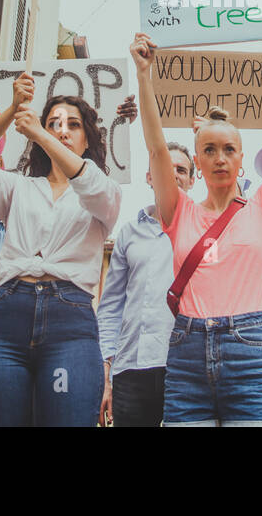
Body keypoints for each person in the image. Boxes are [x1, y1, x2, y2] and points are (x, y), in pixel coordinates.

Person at [131, 21, 262, 426]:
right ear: (196, 162)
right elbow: (156, 146)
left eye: (228, 149)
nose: (219, 158)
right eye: (209, 150)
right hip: (186, 353)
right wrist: (143, 75)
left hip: (250, 352)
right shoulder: (178, 210)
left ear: (240, 157)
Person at [0, 74, 123, 427]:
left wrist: (41, 134)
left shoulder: (103, 190)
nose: (62, 131)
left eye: (72, 125)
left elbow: (90, 185)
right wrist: (11, 111)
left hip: (69, 326)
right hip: (6, 320)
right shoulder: (18, 187)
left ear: (88, 137)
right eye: (53, 124)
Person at [97, 142, 193, 427]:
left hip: (184, 368)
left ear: (191, 179)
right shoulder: (129, 232)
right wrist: (106, 372)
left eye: (182, 170)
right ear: (150, 176)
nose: (173, 174)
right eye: (165, 167)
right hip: (130, 370)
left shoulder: (202, 228)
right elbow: (111, 306)